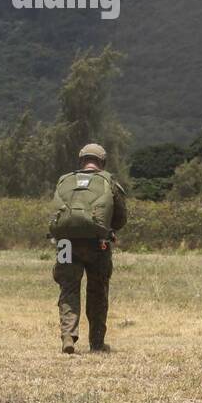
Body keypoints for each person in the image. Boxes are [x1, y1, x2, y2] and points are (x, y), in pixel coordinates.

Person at [49, 143, 127, 354]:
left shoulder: (65, 180)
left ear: (81, 160)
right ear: (102, 162)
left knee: (68, 288)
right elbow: (120, 217)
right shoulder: (108, 181)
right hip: (97, 243)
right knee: (97, 290)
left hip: (65, 243)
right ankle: (96, 342)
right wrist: (108, 229)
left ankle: (68, 336)